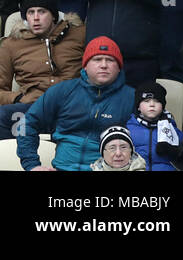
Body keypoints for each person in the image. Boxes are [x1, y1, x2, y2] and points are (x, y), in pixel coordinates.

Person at [19, 36, 136, 171]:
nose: (104, 65)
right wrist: (32, 165)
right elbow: (24, 123)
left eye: (110, 60)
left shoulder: (132, 98)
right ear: (85, 65)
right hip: (62, 168)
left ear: (119, 67)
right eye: (97, 59)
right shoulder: (63, 90)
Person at [0, 0, 84, 140]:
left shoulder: (78, 34)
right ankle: (16, 161)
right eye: (31, 13)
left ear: (53, 15)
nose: (36, 18)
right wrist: (18, 99)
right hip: (33, 109)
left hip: (73, 108)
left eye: (42, 11)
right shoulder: (12, 44)